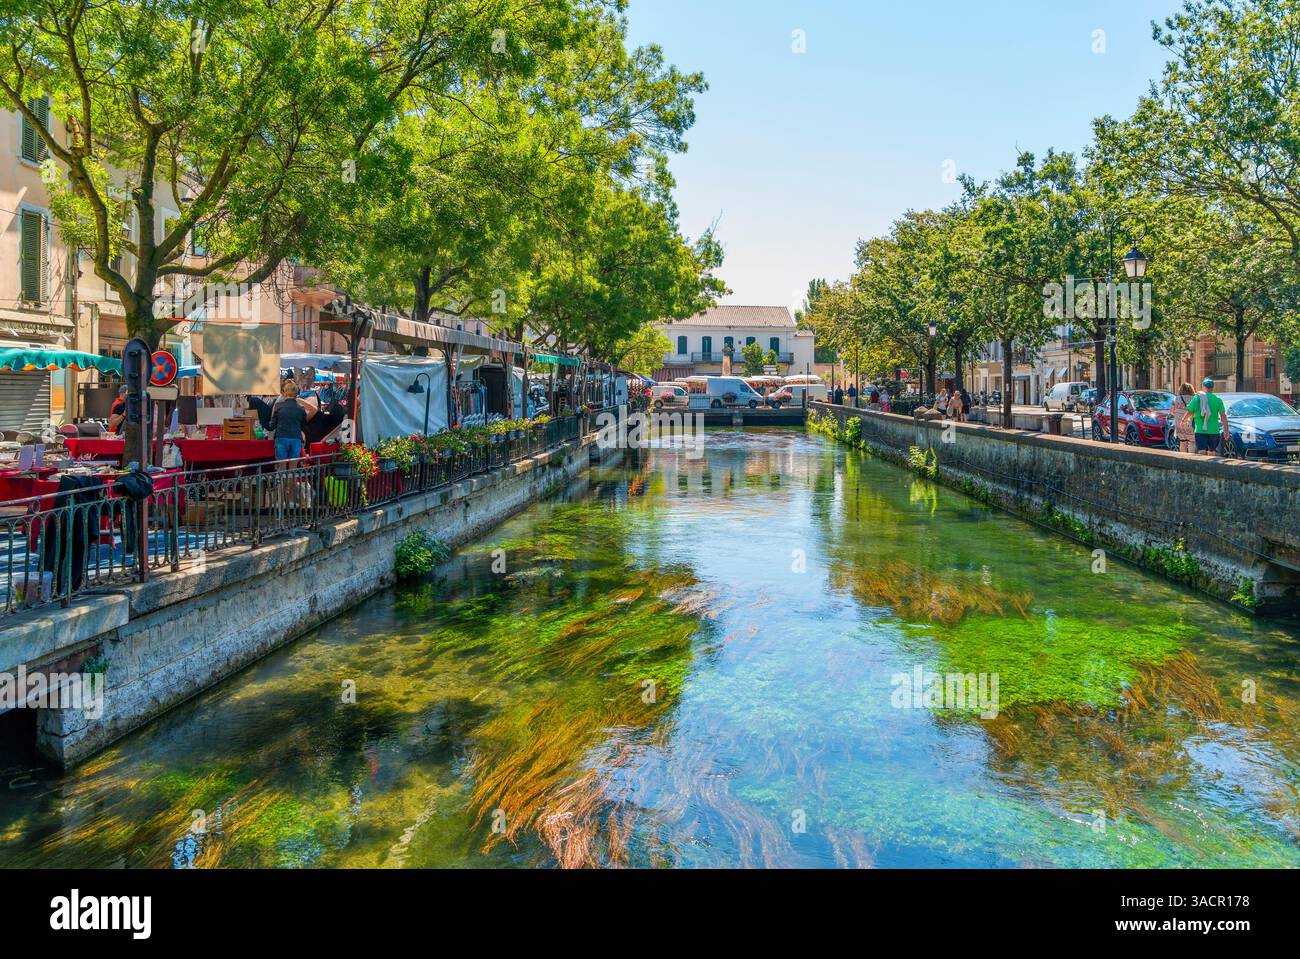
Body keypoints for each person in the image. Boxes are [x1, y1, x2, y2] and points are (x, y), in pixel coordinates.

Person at [1183, 377, 1230, 456]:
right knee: (1212, 452)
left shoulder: (1197, 398)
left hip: (1200, 430)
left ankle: (1203, 467)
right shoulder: (1218, 400)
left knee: (1201, 452)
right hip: (1214, 431)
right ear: (1212, 388)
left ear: (1203, 387)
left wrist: (1183, 420)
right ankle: (1211, 467)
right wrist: (1226, 430)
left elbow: (1190, 412)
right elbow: (1223, 416)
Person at [268, 380, 308, 462]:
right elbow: (304, 427)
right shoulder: (301, 408)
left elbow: (271, 426)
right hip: (296, 438)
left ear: (285, 392)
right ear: (296, 393)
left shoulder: (278, 406)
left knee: (281, 467)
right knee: (293, 467)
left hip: (281, 437)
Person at [1170, 382, 1196, 454]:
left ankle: (1183, 458)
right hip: (1190, 422)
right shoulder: (1194, 398)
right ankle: (1191, 458)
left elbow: (1172, 411)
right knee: (1192, 441)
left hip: (1179, 423)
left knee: (1183, 441)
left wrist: (1178, 413)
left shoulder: (1176, 399)